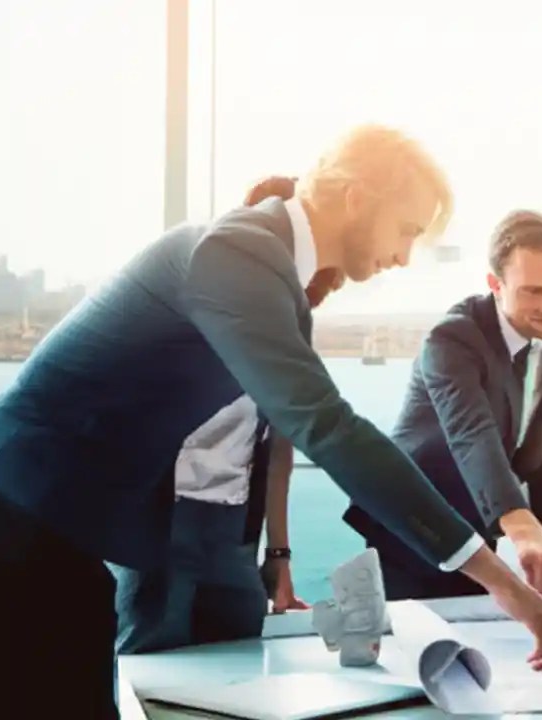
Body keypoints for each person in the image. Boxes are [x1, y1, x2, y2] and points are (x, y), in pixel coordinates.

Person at [0, 125, 542, 718]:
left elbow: (282, 429)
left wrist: (272, 551)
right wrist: (502, 582)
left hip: (65, 529)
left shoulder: (278, 280)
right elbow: (330, 430)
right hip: (24, 515)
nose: (406, 255)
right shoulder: (236, 252)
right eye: (407, 229)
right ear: (358, 197)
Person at [111, 177, 322, 655]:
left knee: (241, 660)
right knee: (150, 665)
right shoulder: (195, 306)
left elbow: (280, 447)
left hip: (233, 533)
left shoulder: (289, 320)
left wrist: (279, 555)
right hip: (161, 524)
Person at [344, 209, 542, 605]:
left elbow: (532, 449)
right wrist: (522, 530)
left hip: (479, 526)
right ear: (496, 285)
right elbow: (473, 437)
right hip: (416, 528)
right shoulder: (451, 340)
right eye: (533, 291)